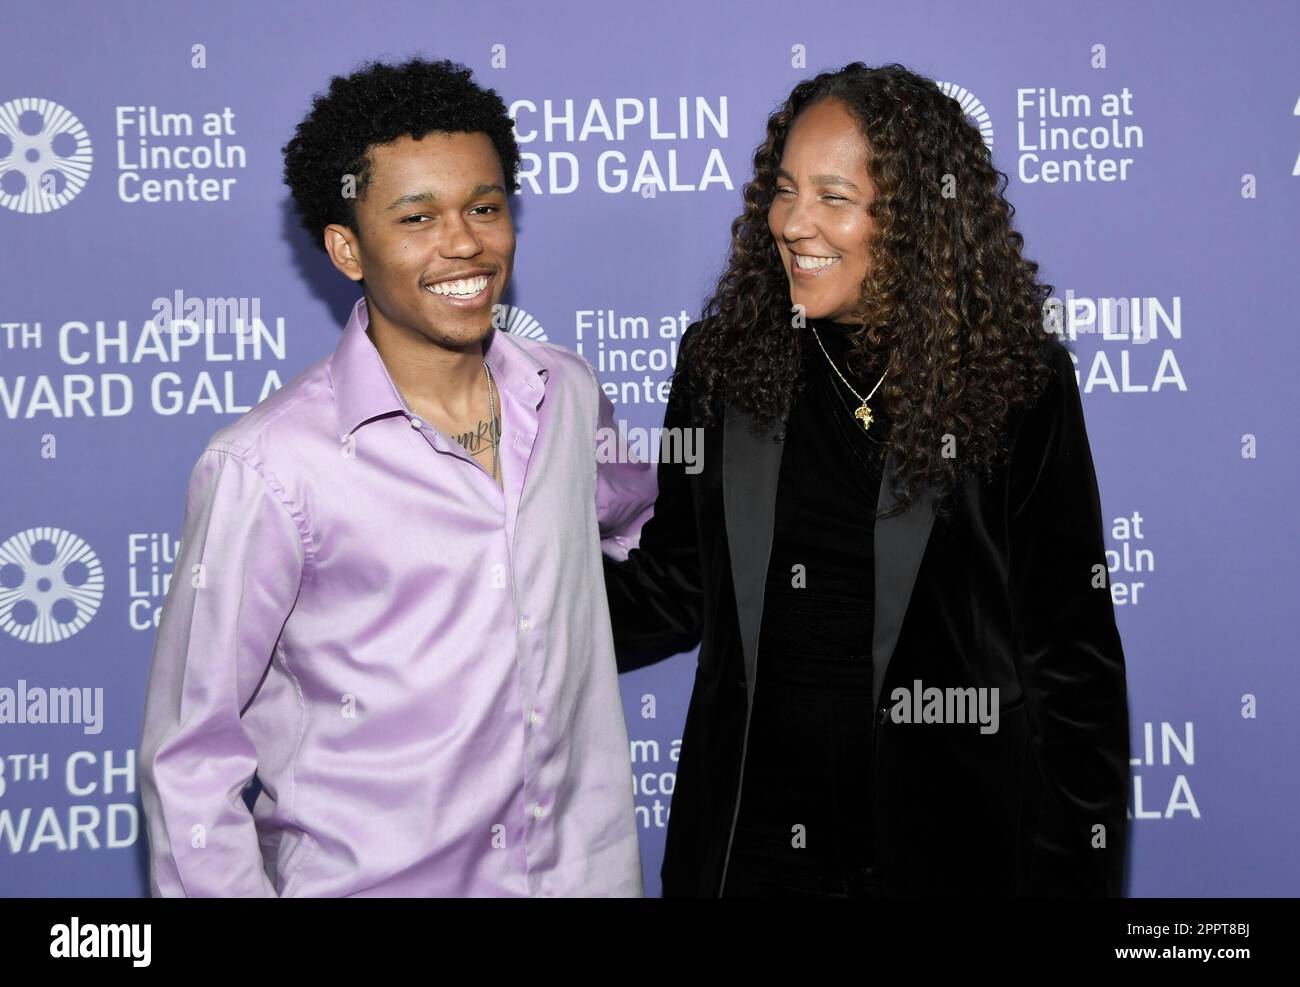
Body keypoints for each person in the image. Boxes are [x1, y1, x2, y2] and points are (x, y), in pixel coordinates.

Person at [604, 63, 1131, 898]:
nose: (794, 223)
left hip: (951, 846)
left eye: (834, 198)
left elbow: (1070, 659)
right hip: (754, 843)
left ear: (916, 219)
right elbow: (680, 582)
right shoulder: (723, 364)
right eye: (783, 190)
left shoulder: (1014, 380)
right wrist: (510, 591)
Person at [139, 58, 654, 897]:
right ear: (347, 248)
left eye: (485, 208)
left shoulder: (567, 395)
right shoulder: (269, 467)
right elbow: (190, 759)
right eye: (416, 218)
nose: (464, 243)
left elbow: (630, 526)